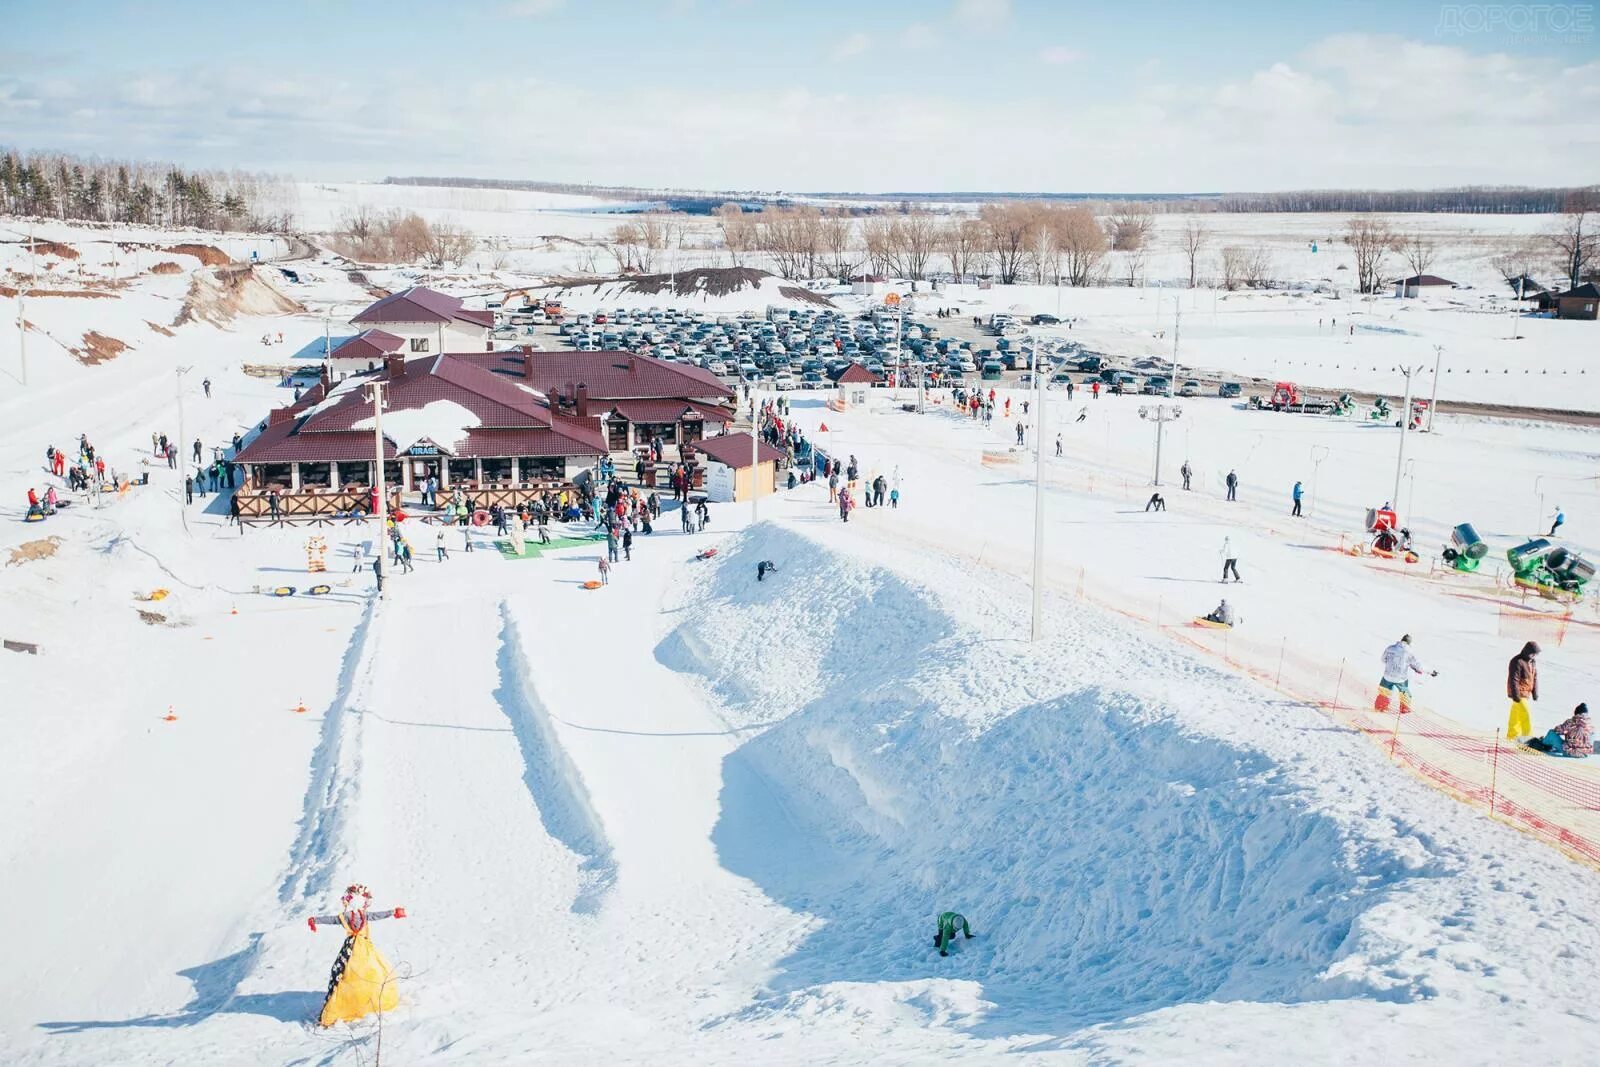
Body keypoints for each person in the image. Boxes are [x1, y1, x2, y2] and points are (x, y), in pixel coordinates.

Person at [1375, 634, 1434, 713]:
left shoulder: (1390, 648)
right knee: (1405, 692)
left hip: (1387, 675)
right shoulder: (1409, 653)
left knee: (1384, 691)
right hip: (1400, 678)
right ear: (1409, 643)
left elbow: (1383, 659)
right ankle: (1404, 709)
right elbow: (1419, 666)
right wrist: (1431, 672)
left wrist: (1390, 664)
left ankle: (1380, 706)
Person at [1506, 641, 1540, 740]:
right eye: (1533, 653)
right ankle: (1527, 738)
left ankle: (1512, 735)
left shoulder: (1532, 662)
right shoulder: (1517, 661)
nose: (1534, 656)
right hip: (1519, 692)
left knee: (1515, 715)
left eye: (1535, 654)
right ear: (1527, 651)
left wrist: (1535, 693)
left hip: (1526, 692)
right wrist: (1515, 695)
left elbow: (1534, 677)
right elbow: (1514, 679)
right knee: (1526, 714)